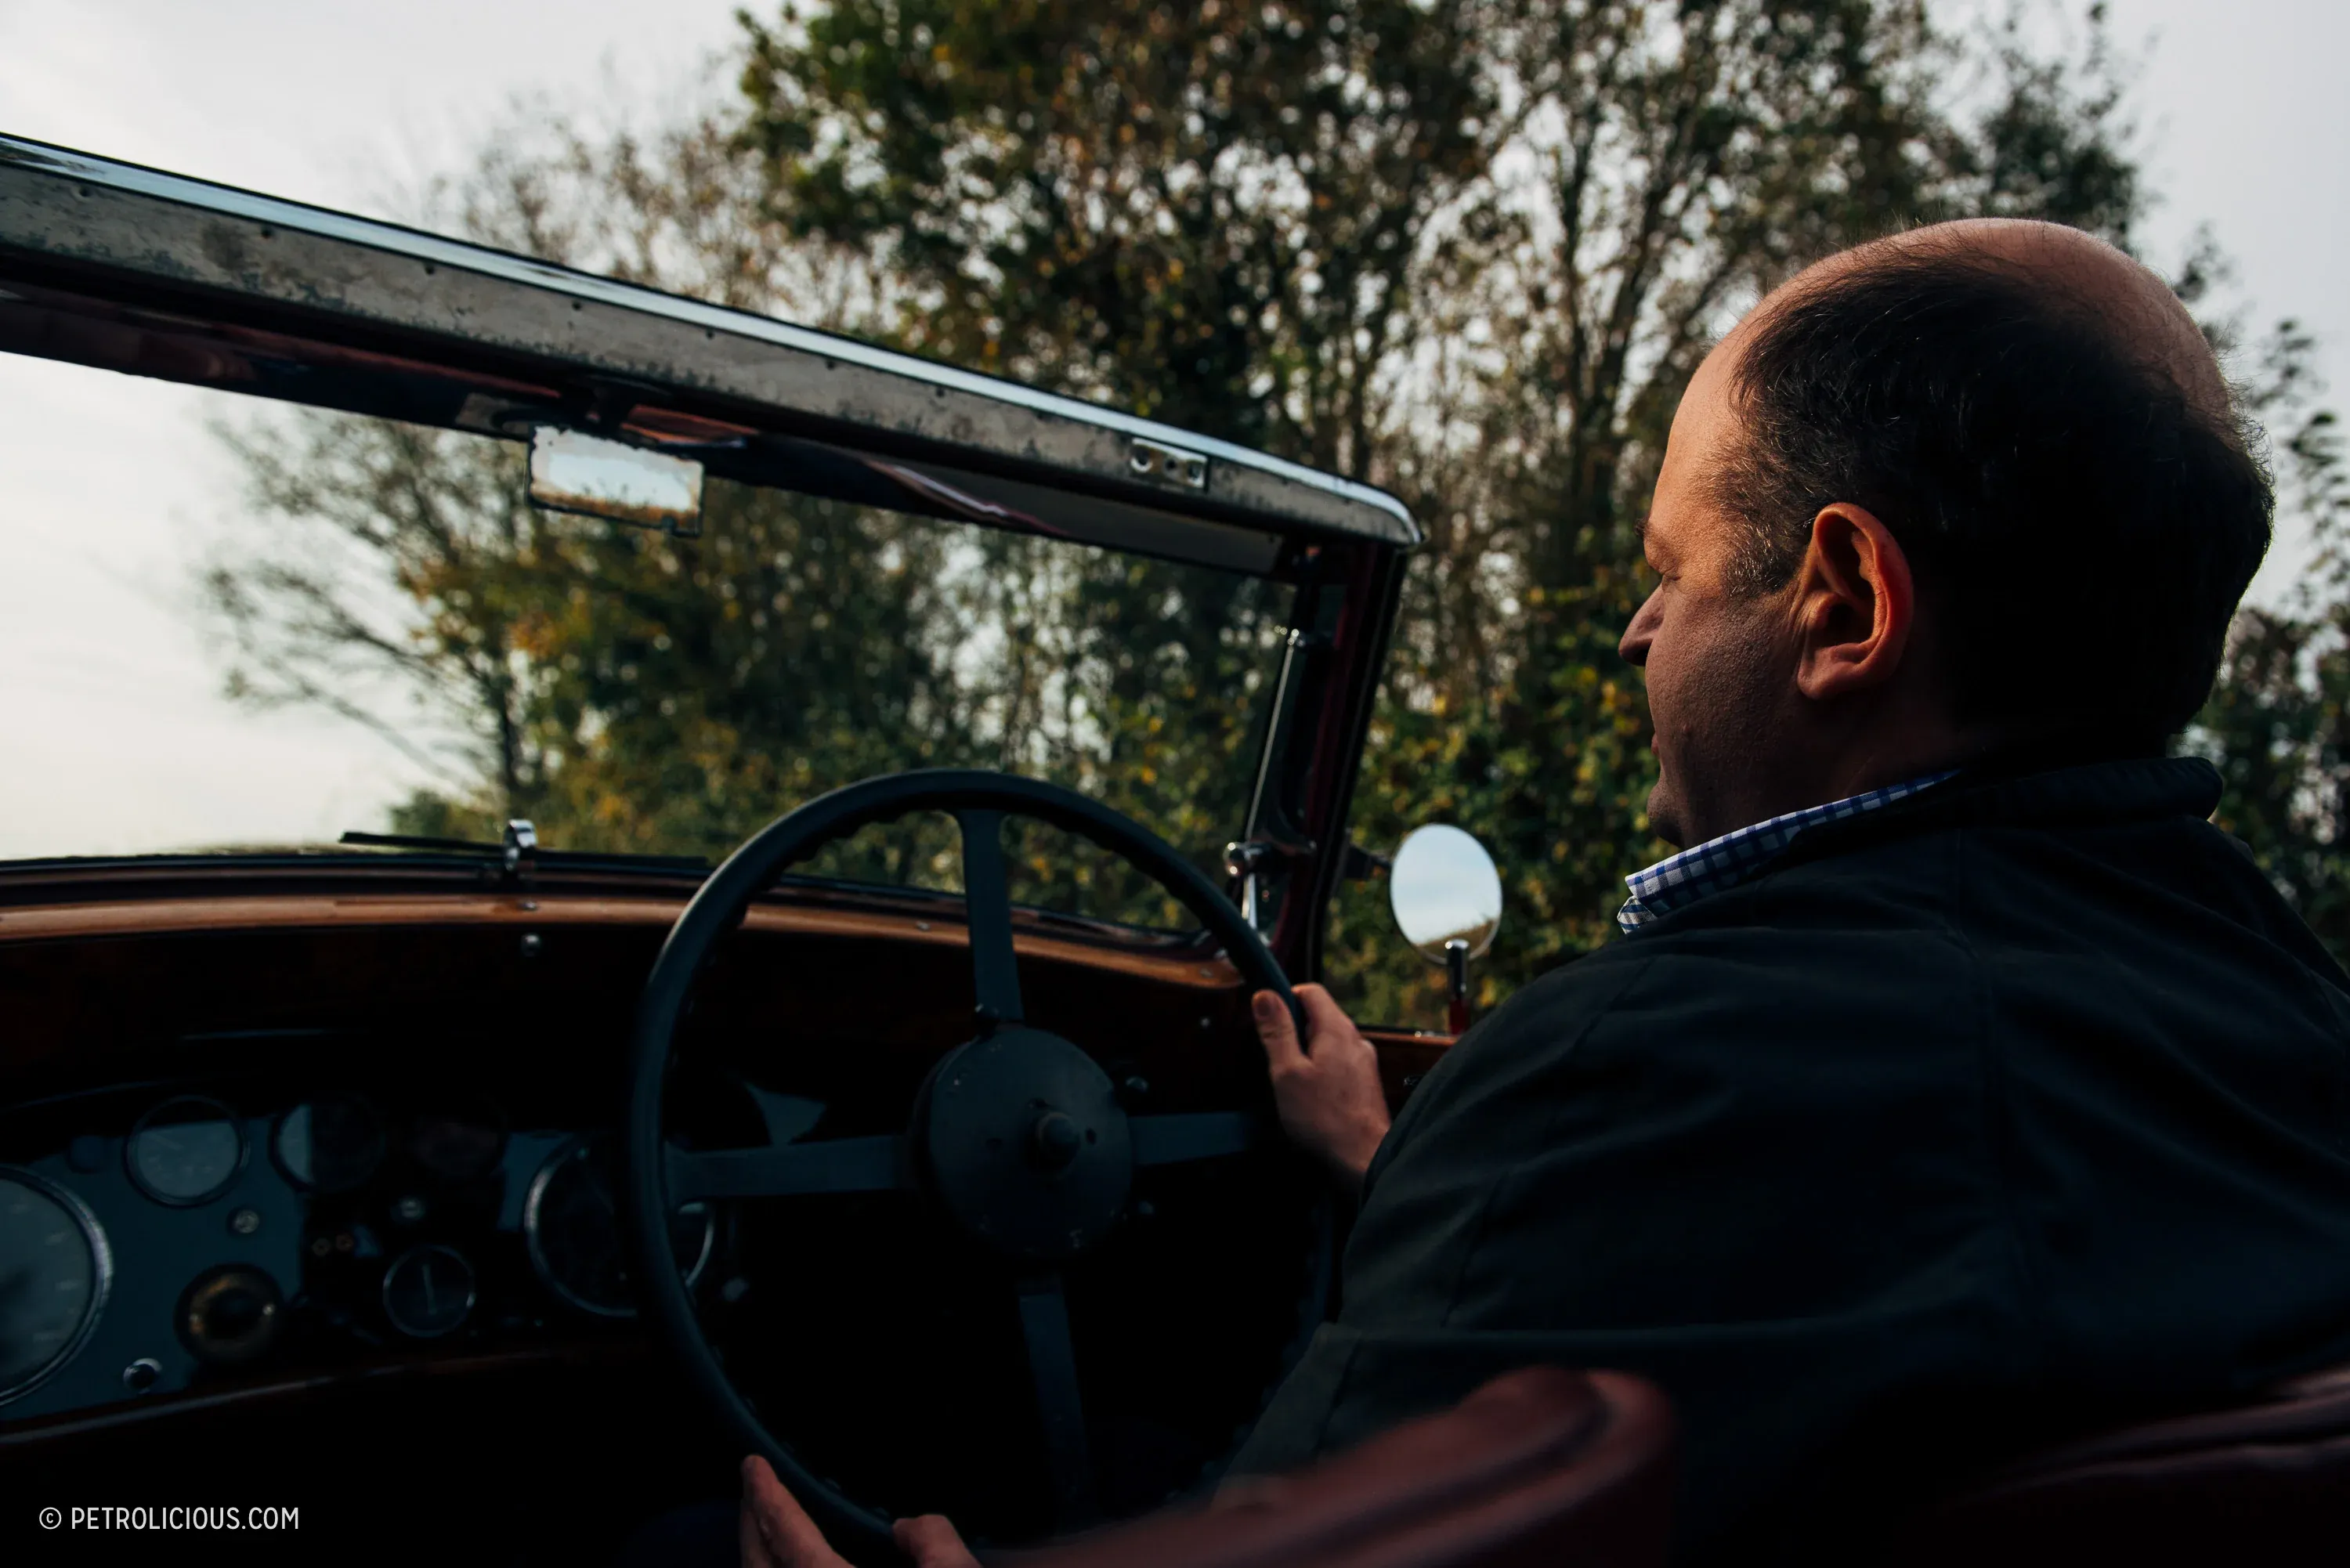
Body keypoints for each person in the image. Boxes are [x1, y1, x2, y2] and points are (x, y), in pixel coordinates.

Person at [737, 218, 2350, 1566]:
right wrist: (1405, 1162)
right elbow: (1886, 1265)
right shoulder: (2280, 1018)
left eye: (1673, 567)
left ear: (1844, 604)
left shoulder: (1652, 1071)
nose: (1639, 634)